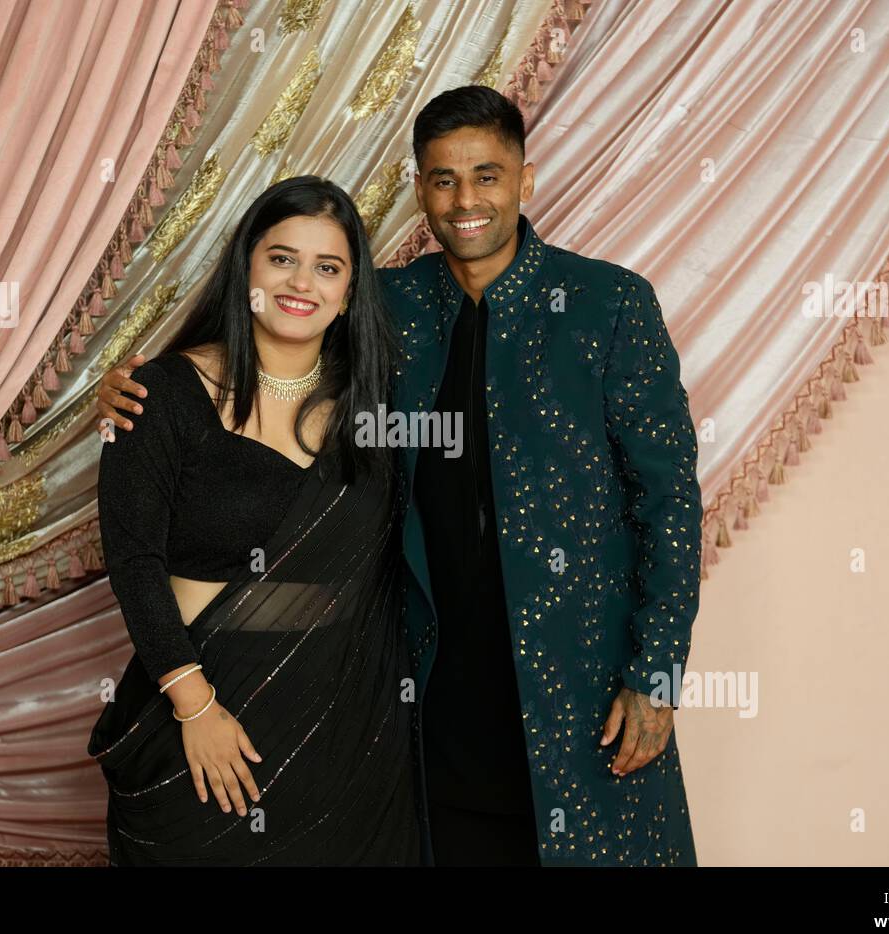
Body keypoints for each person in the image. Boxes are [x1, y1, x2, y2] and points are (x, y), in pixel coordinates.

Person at [97, 86, 703, 866]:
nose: (466, 199)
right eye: (443, 179)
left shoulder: (608, 305)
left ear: (526, 179)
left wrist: (653, 673)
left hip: (580, 680)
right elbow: (270, 346)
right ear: (418, 191)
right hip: (420, 689)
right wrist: (133, 389)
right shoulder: (389, 307)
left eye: (488, 175)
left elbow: (670, 503)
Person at [87, 176, 420, 865]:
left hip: (340, 728)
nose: (303, 282)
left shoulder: (376, 411)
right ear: (246, 269)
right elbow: (134, 560)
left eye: (328, 267)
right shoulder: (162, 394)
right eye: (281, 258)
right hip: (204, 719)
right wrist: (195, 708)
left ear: (351, 291)